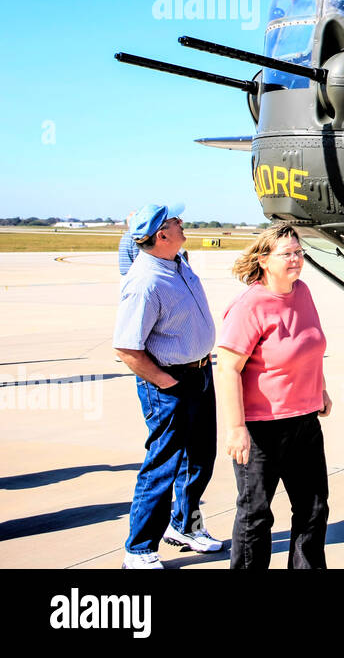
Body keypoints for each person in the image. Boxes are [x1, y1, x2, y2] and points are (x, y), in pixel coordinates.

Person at [112, 202, 221, 569]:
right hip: (171, 383)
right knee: (162, 465)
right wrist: (166, 382)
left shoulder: (177, 262)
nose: (182, 223)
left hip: (200, 374)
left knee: (201, 459)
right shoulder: (145, 282)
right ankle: (139, 549)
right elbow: (127, 348)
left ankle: (185, 526)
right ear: (161, 234)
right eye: (176, 221)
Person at [217, 222, 331, 569]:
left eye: (299, 252)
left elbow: (310, 345)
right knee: (256, 516)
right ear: (264, 260)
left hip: (305, 422)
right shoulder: (250, 305)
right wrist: (236, 428)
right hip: (261, 430)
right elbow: (226, 368)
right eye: (287, 254)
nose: (296, 259)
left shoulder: (303, 292)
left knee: (313, 509)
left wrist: (321, 388)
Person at [117, 211, 139, 275]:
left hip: (126, 273)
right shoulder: (135, 237)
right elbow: (138, 259)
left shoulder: (125, 236)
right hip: (133, 274)